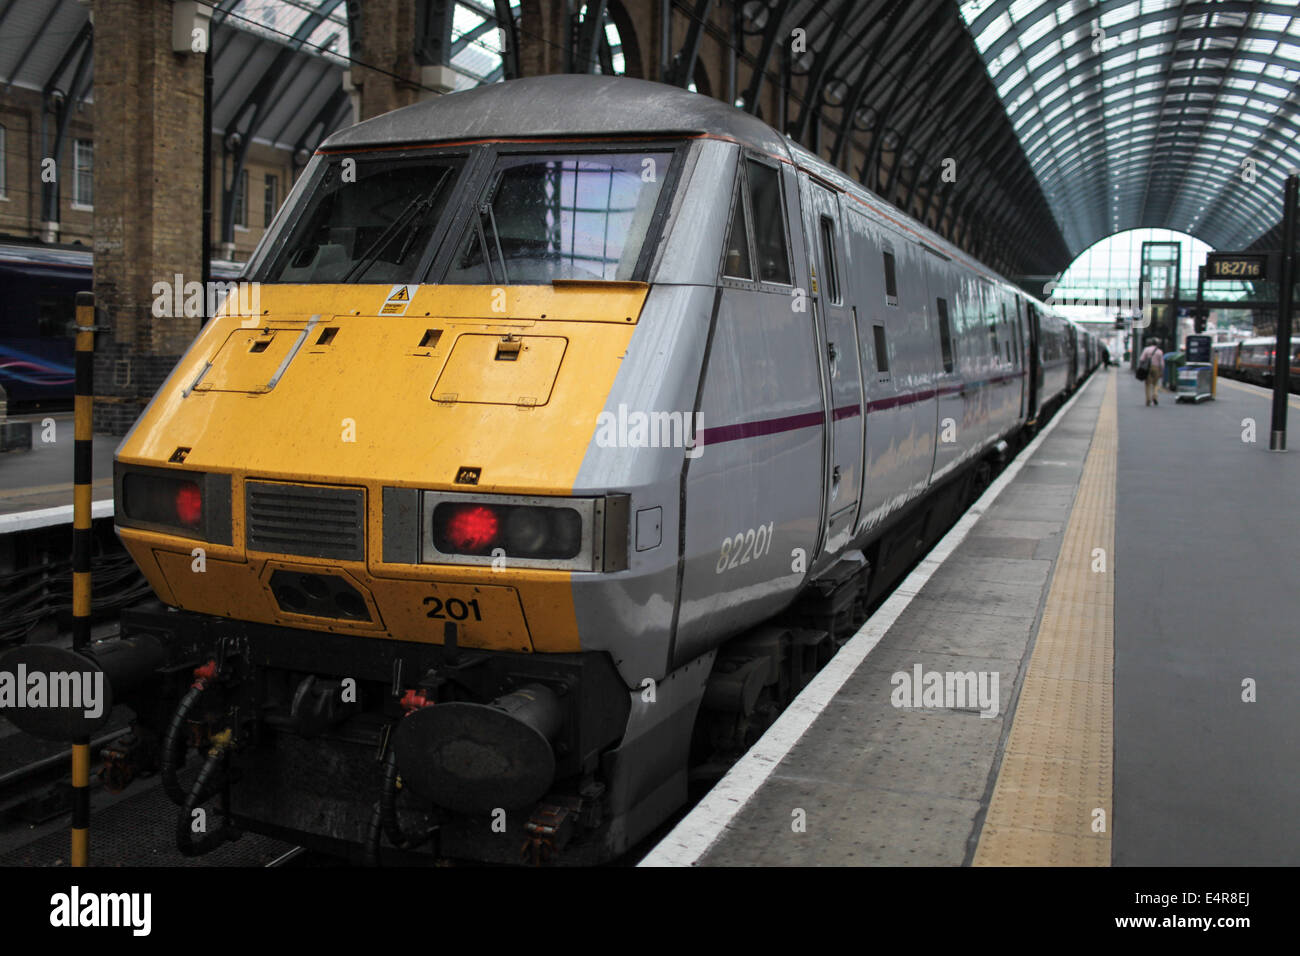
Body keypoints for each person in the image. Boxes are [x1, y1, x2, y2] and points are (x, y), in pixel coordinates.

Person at [1139, 337, 1164, 405]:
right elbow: (1162, 364)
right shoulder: (1159, 351)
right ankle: (1155, 396)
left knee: (1147, 384)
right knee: (1155, 383)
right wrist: (1161, 371)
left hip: (1148, 368)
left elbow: (1141, 359)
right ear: (1157, 344)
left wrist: (1141, 367)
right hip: (1156, 368)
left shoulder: (1146, 350)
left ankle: (1148, 399)